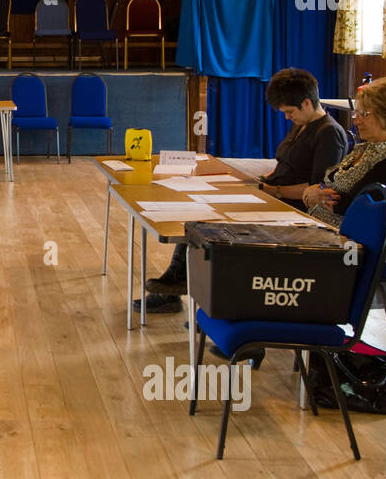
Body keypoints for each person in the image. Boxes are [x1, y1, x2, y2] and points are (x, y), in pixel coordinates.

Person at [140, 68, 349, 313]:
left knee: (213, 221)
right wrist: (259, 181)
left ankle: (207, 298)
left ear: (306, 103)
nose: (286, 118)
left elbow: (316, 190)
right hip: (271, 195)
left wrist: (273, 190)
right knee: (200, 211)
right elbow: (285, 167)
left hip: (292, 210)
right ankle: (177, 283)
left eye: (289, 112)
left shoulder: (329, 134)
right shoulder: (302, 124)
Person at [303, 77, 386, 229]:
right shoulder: (366, 148)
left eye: (365, 114)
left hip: (346, 242)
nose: (357, 121)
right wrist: (314, 191)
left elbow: (354, 206)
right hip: (317, 225)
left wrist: (317, 195)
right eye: (357, 114)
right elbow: (327, 184)